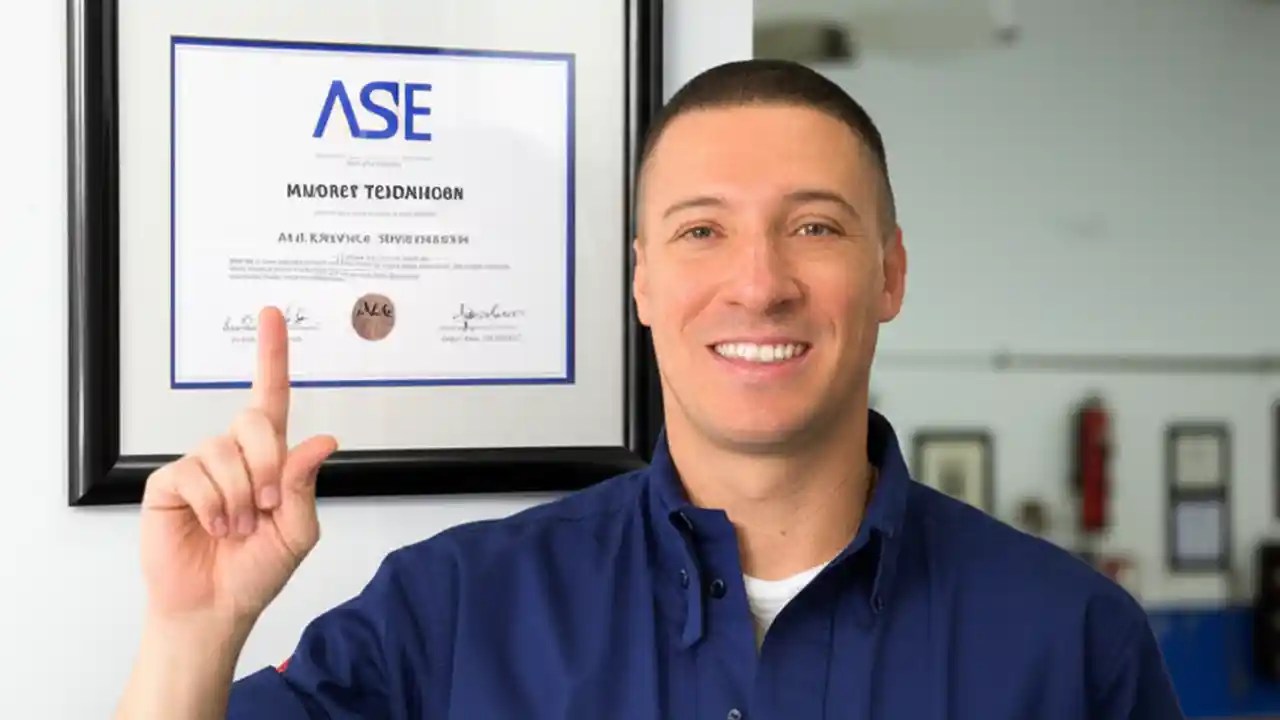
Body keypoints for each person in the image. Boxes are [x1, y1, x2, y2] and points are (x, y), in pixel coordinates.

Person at [115, 59, 1185, 719]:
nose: (758, 284)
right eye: (700, 231)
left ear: (889, 273)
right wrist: (193, 631)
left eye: (813, 226)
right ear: (640, 280)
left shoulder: (1072, 641)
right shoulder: (448, 613)